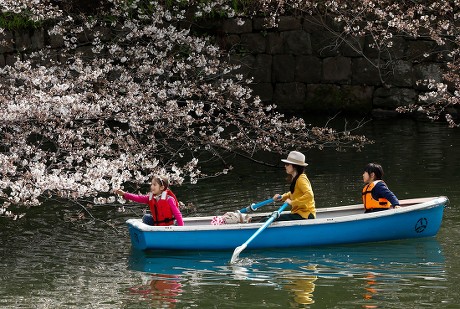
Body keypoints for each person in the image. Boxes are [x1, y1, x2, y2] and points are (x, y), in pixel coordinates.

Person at [114, 175, 184, 226]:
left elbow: (177, 214)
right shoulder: (150, 198)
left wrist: (181, 228)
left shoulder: (169, 199)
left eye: (154, 185)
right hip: (157, 225)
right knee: (146, 217)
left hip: (169, 226)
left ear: (162, 187)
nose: (152, 187)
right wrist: (124, 194)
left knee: (177, 222)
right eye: (151, 185)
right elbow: (138, 198)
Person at [272, 151, 316, 220]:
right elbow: (293, 193)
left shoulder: (301, 179)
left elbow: (309, 195)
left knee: (273, 219)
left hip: (306, 214)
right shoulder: (296, 178)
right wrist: (282, 197)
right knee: (269, 218)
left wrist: (292, 202)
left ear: (294, 166)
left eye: (287, 164)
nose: (285, 166)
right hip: (299, 213)